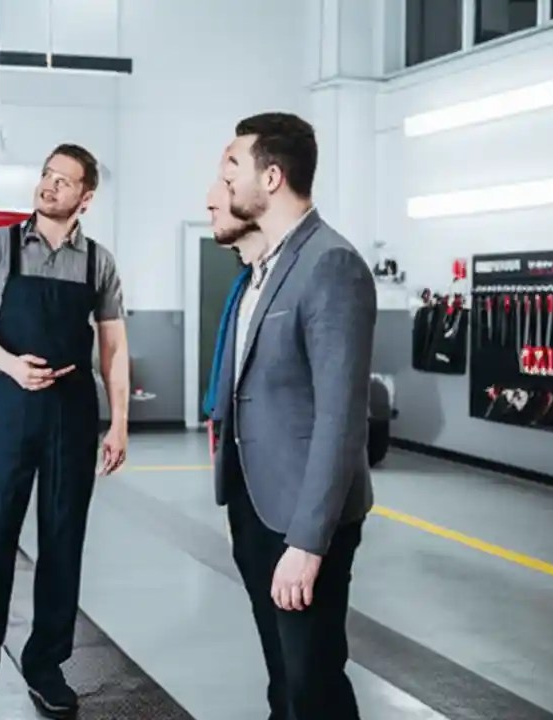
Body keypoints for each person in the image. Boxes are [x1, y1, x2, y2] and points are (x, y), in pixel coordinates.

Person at [0, 143, 130, 720]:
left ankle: (46, 666)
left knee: (62, 546)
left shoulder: (98, 262)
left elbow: (114, 345)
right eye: (46, 175)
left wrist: (120, 421)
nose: (49, 186)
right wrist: (10, 365)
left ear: (86, 197)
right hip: (9, 409)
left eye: (64, 180)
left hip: (72, 416)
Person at [204, 112, 376, 720]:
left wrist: (308, 543)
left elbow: (341, 416)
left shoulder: (330, 263)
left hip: (305, 517)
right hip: (256, 504)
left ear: (271, 177)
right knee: (284, 678)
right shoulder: (263, 269)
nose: (220, 186)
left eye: (231, 168)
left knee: (313, 682)